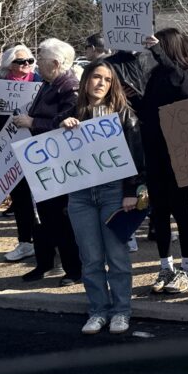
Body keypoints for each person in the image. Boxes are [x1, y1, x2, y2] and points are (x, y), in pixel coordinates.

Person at [60, 60, 145, 335]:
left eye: (107, 80)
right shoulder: (72, 111)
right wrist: (61, 125)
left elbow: (136, 155)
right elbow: (51, 141)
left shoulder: (124, 114)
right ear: (85, 80)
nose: (101, 83)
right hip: (80, 194)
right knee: (91, 258)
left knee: (117, 256)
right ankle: (98, 310)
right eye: (96, 77)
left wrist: (131, 192)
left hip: (114, 192)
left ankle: (121, 311)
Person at [139, 28, 188, 294]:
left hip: (179, 154)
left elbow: (185, 89)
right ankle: (165, 266)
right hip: (155, 153)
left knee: (181, 211)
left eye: (160, 47)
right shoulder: (154, 74)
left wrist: (159, 55)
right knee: (160, 212)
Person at [12, 38, 83, 286]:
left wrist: (33, 123)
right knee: (42, 216)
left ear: (54, 63)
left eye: (39, 58)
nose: (36, 63)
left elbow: (68, 123)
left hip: (58, 163)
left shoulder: (70, 87)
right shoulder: (48, 84)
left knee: (60, 218)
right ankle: (44, 263)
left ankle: (74, 269)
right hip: (41, 160)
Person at [0, 45, 41, 261]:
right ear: (9, 64)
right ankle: (25, 242)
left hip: (37, 145)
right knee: (21, 197)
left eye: (30, 60)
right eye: (20, 61)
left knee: (45, 197)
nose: (26, 64)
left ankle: (49, 242)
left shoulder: (41, 83)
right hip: (11, 150)